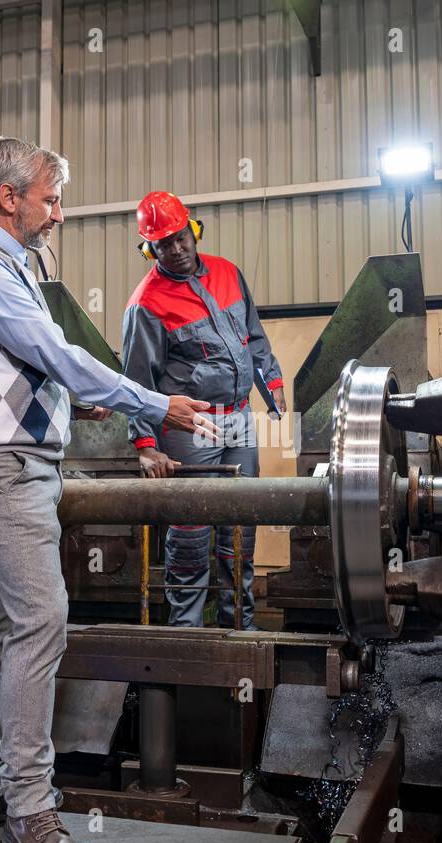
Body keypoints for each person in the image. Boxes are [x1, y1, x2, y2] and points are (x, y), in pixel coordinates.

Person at [0, 140, 218, 843]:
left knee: (1, 626)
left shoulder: (7, 264)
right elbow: (54, 352)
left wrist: (71, 408)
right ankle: (30, 813)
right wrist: (153, 403)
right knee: (42, 621)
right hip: (0, 470)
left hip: (12, 461)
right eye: (50, 199)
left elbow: (22, 366)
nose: (58, 213)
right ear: (10, 200)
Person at [120, 190, 285, 630]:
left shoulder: (229, 273)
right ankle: (186, 635)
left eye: (179, 238)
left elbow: (254, 335)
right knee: (191, 535)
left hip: (238, 420)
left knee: (240, 529)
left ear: (192, 229)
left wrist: (271, 383)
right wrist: (145, 445)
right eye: (162, 244)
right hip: (190, 426)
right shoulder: (146, 304)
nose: (175, 250)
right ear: (148, 248)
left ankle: (240, 631)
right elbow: (137, 382)